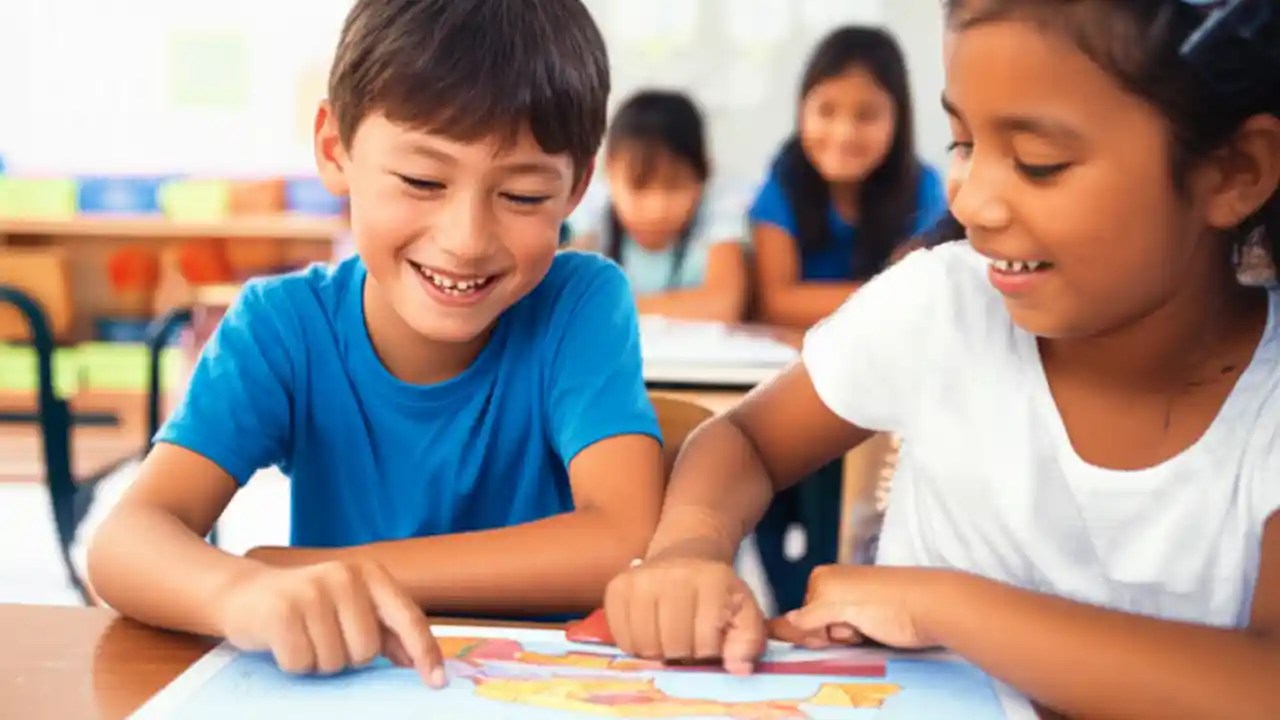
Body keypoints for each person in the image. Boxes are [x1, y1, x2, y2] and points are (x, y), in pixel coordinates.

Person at [603, 1, 1280, 717]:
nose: (973, 199)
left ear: (1234, 172)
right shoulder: (947, 303)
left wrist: (942, 606)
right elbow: (743, 439)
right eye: (961, 143)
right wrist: (688, 553)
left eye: (1038, 163)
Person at [87, 0, 665, 686]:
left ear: (575, 189)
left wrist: (322, 569)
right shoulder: (282, 327)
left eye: (522, 196)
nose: (467, 239)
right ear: (336, 149)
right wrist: (238, 592)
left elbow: (621, 540)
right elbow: (123, 544)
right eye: (423, 181)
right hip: (347, 684)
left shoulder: (580, 303)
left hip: (543, 688)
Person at [747, 26, 949, 331]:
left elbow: (923, 299)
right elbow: (777, 304)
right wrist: (885, 293)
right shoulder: (782, 184)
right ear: (802, 109)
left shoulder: (924, 189)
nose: (844, 134)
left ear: (898, 119)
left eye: (866, 115)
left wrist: (810, 301)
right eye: (826, 111)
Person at [570, 91, 747, 323]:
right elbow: (572, 302)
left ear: (704, 176)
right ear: (608, 172)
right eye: (638, 187)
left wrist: (610, 306)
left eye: (674, 187)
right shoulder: (590, 214)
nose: (657, 209)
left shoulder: (720, 212)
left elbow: (723, 305)